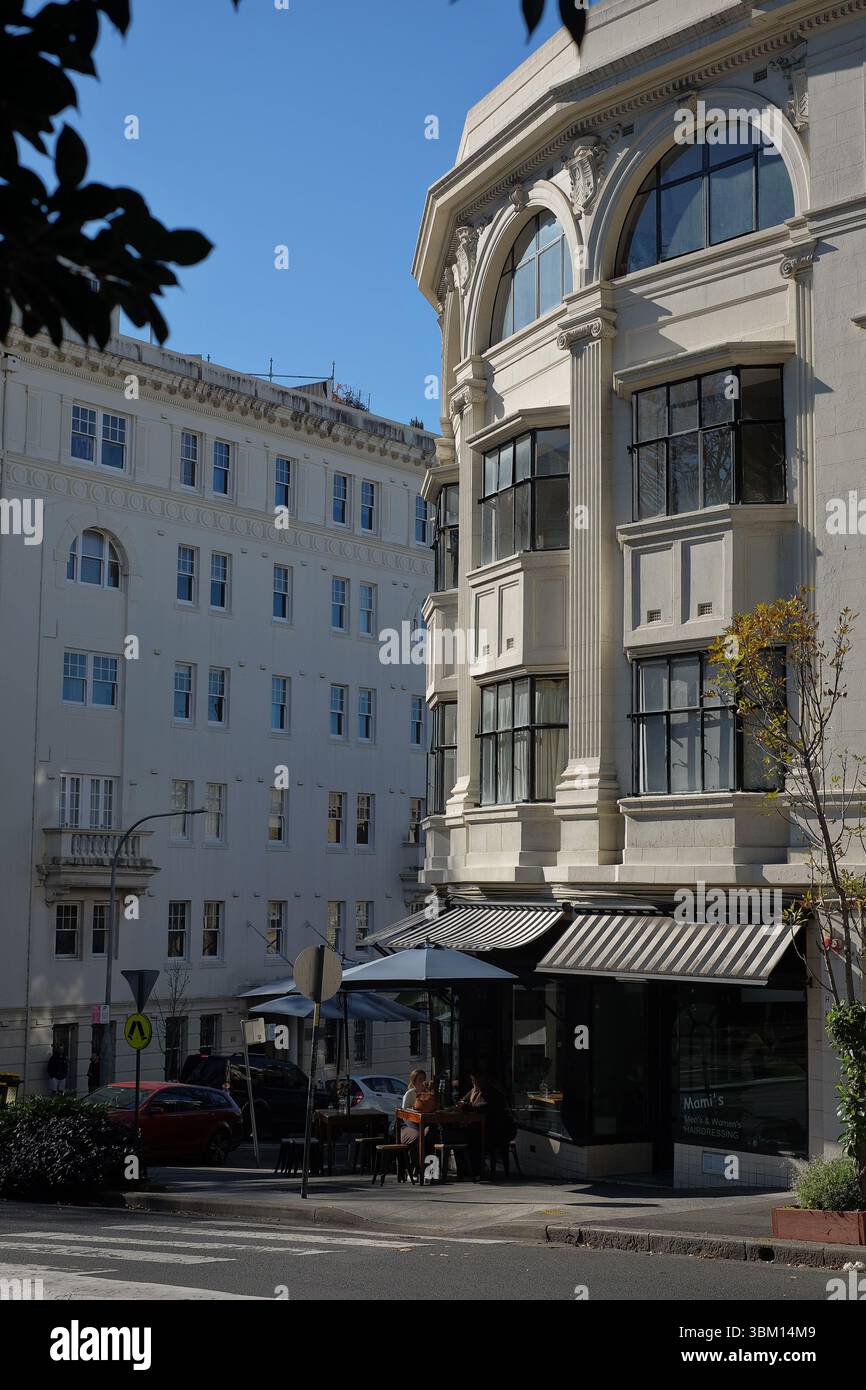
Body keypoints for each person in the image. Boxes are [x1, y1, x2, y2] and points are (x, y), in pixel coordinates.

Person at [457, 1070, 515, 1177]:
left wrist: (467, 1106)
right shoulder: (475, 1091)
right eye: (473, 1080)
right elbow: (462, 1101)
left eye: (476, 1080)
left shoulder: (492, 1093)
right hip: (480, 1128)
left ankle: (475, 1169)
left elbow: (484, 1107)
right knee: (459, 1135)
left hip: (495, 1131)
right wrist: (461, 1104)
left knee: (469, 1137)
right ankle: (466, 1170)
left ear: (484, 1080)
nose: (474, 1083)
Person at [399, 1068, 435, 1172]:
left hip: (423, 1124)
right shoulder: (410, 1094)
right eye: (420, 1079)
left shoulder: (427, 1094)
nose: (423, 1082)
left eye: (424, 1079)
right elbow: (403, 1111)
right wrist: (414, 1110)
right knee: (417, 1137)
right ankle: (415, 1168)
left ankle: (429, 1169)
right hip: (409, 1125)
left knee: (430, 1134)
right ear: (414, 1081)